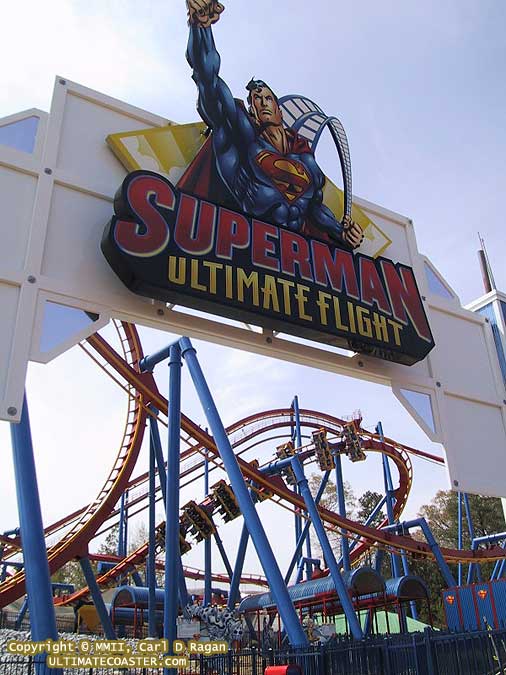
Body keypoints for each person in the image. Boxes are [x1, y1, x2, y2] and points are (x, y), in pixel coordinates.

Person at [185, 0, 363, 249]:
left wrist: (341, 233)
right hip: (243, 247)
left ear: (279, 109)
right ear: (252, 112)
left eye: (267, 98)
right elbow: (208, 81)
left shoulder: (305, 158)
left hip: (294, 260)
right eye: (256, 100)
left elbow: (315, 208)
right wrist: (201, 27)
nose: (262, 102)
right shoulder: (244, 138)